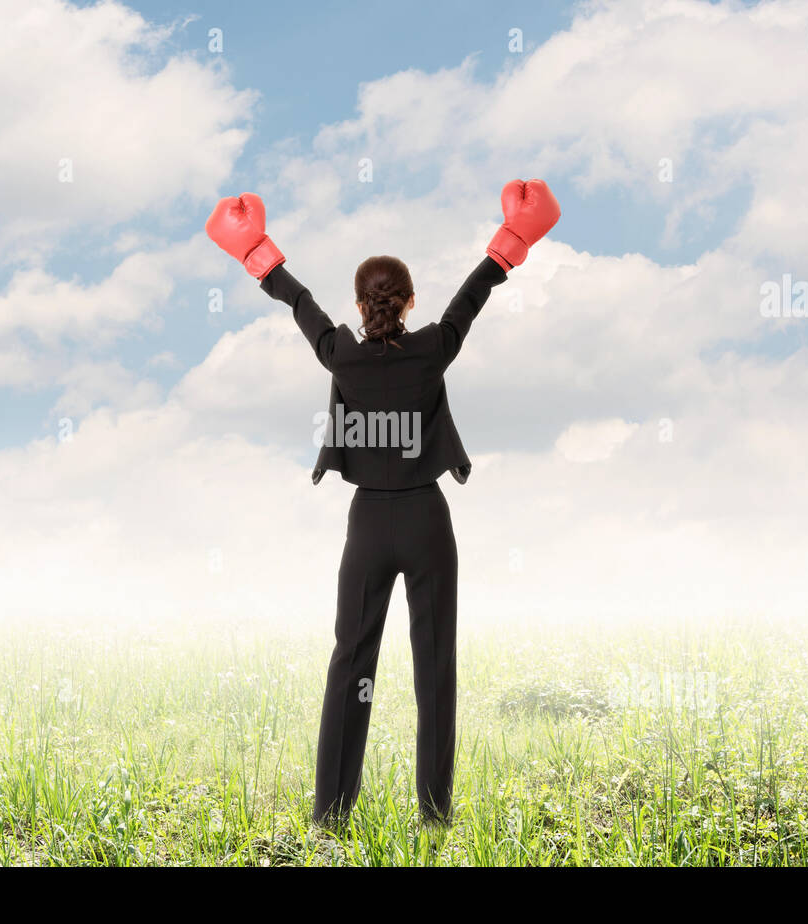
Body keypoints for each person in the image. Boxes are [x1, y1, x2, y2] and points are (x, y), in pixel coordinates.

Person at [205, 180, 561, 827]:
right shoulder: (430, 350)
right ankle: (434, 816)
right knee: (435, 670)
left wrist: (255, 250)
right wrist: (510, 244)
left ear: (361, 306)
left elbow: (299, 303)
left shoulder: (341, 354)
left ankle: (330, 815)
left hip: (368, 523)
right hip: (427, 520)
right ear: (408, 303)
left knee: (351, 664)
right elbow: (469, 304)